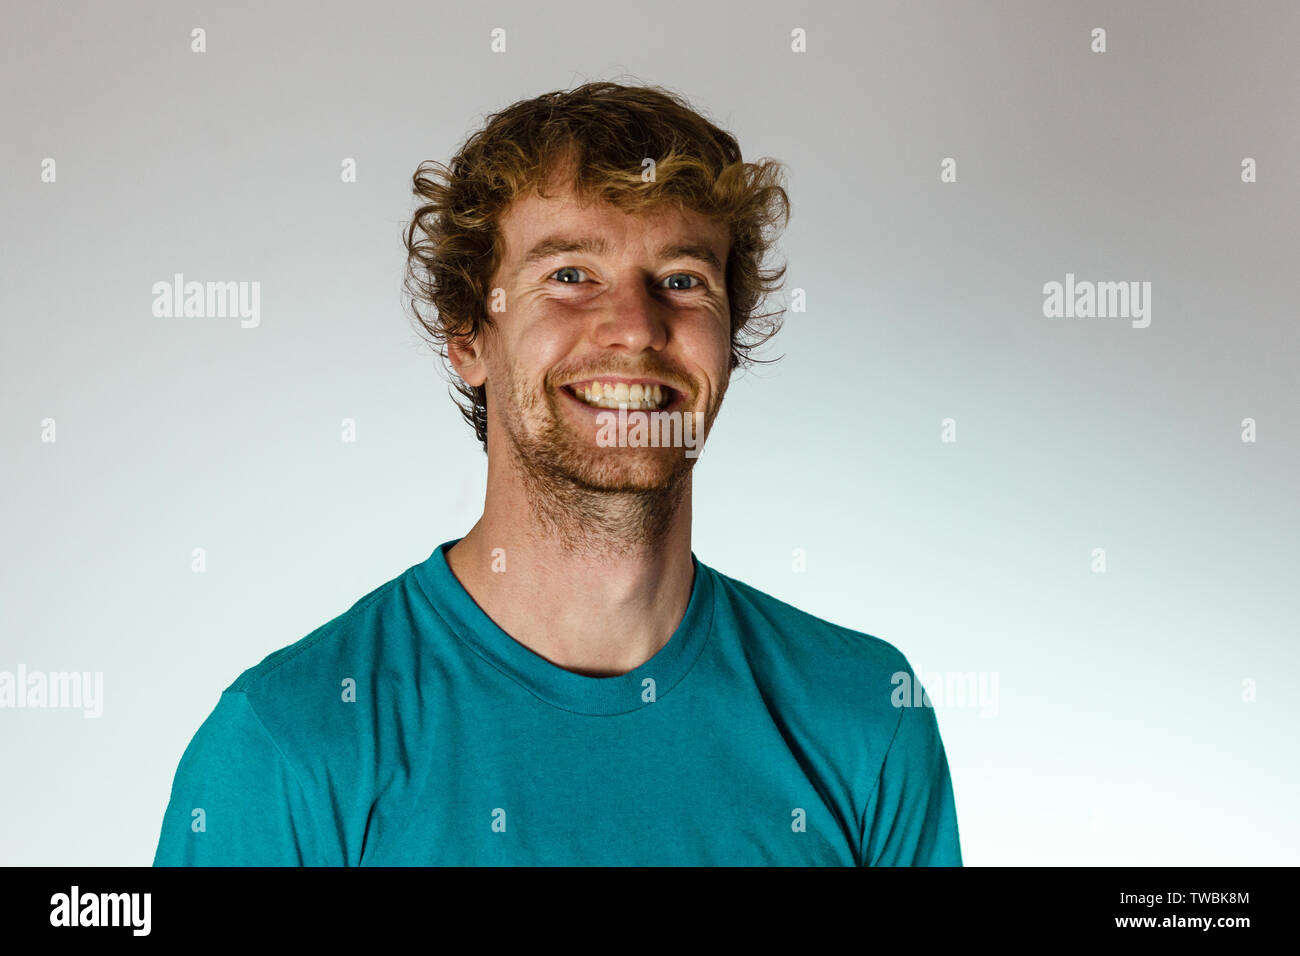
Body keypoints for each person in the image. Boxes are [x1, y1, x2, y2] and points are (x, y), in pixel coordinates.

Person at [153, 81, 962, 866]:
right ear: (469, 337)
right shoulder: (289, 742)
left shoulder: (866, 718)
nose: (636, 330)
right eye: (569, 275)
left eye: (683, 281)